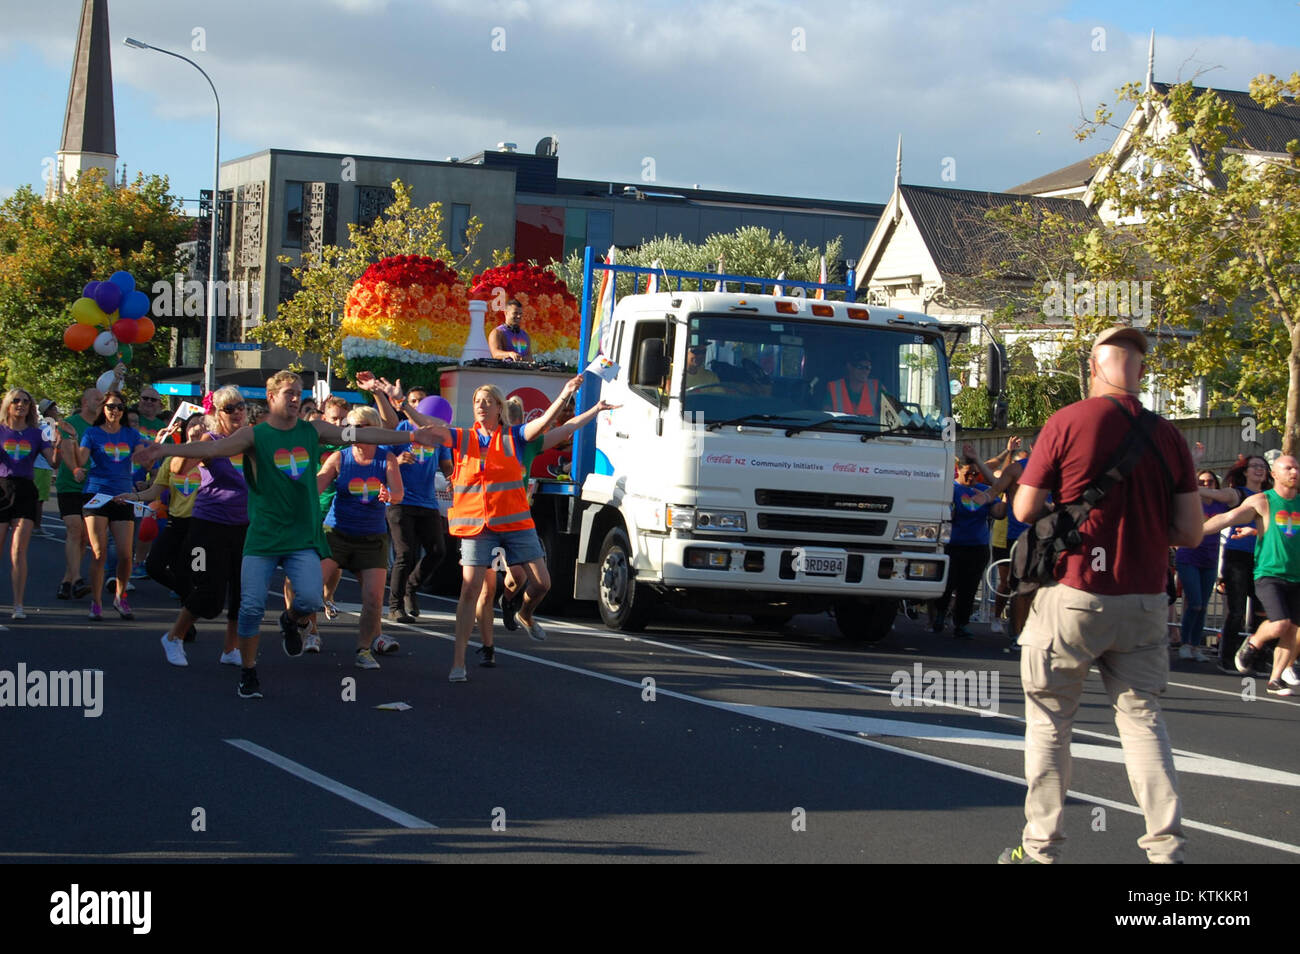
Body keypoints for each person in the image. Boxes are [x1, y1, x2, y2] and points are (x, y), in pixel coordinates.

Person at [997, 326, 1202, 865]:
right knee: (1142, 723)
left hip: (1073, 591)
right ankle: (1167, 851)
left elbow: (1022, 510)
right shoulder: (1170, 437)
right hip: (1144, 599)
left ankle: (1040, 848)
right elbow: (1191, 531)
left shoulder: (1068, 421)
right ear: (1140, 371)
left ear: (1093, 365)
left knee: (1049, 723)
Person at [135, 371, 443, 699]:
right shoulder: (255, 436)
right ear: (271, 398)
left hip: (301, 537)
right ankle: (248, 670)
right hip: (263, 536)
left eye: (299, 392)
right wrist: (163, 452)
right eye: (288, 393)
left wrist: (411, 438)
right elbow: (216, 448)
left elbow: (359, 434)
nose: (295, 398)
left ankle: (289, 619)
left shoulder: (314, 430)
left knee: (310, 599)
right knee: (250, 607)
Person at [423, 378, 582, 682]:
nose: (481, 406)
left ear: (499, 409)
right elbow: (430, 427)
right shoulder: (464, 437)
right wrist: (403, 405)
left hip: (514, 523)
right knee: (478, 588)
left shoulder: (520, 439)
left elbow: (558, 425)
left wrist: (570, 395)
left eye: (487, 401)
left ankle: (520, 611)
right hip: (477, 524)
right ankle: (469, 655)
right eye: (477, 402)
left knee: (536, 582)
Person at [152, 386, 250, 668]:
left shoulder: (249, 441)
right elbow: (178, 469)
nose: (237, 412)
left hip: (244, 526)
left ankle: (231, 649)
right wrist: (185, 442)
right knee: (210, 594)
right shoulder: (211, 440)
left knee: (243, 593)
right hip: (209, 526)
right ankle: (174, 636)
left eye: (241, 406)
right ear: (216, 414)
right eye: (229, 408)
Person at [1204, 455, 1300, 695]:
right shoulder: (1263, 501)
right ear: (1274, 475)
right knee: (1280, 624)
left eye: (1297, 467)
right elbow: (1227, 518)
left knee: (1295, 631)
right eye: (1288, 468)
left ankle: (1275, 679)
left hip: (1297, 576)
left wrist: (1253, 530)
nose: (1294, 472)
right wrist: (1190, 534)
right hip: (1270, 573)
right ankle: (1254, 642)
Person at [317, 406, 404, 667]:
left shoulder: (386, 459)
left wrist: (390, 496)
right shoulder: (339, 459)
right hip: (337, 533)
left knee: (374, 598)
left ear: (373, 429)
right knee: (310, 590)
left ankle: (363, 650)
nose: (354, 433)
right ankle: (302, 627)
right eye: (350, 427)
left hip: (371, 538)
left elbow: (398, 492)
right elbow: (315, 487)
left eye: (360, 427)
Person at [119, 413, 205, 665]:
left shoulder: (212, 461)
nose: (195, 429)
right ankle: (191, 602)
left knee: (193, 574)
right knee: (155, 566)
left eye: (201, 426)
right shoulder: (173, 460)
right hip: (176, 523)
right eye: (191, 426)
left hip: (200, 526)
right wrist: (131, 497)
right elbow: (156, 490)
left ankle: (185, 624)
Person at [71, 389, 149, 621]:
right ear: (102, 409)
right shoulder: (93, 433)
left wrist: (152, 448)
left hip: (123, 495)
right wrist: (73, 440)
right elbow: (82, 459)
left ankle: (120, 597)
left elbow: (141, 457)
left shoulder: (131, 434)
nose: (115, 411)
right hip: (97, 494)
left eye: (119, 407)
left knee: (126, 554)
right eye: (110, 406)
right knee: (99, 552)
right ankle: (95, 602)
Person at [1199, 453, 1270, 672]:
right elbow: (1213, 493)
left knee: (1262, 611)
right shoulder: (1237, 494)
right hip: (1237, 557)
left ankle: (1256, 657)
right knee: (1237, 610)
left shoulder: (1270, 497)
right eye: (1254, 466)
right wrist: (1189, 484)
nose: (1259, 469)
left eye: (1262, 466)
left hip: (1262, 558)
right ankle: (1227, 657)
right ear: (1245, 472)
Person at [931, 450, 1005, 639]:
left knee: (969, 587)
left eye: (975, 473)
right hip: (953, 546)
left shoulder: (984, 491)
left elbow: (999, 512)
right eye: (968, 473)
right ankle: (939, 616)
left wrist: (1002, 497)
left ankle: (961, 624)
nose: (972, 477)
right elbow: (944, 516)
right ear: (958, 470)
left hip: (977, 547)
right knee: (947, 584)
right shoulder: (951, 490)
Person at [0, 389, 57, 618]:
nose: (21, 404)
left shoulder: (36, 434)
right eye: (16, 400)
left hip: (25, 489)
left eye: (25, 401)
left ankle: (18, 605)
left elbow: (53, 462)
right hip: (2, 488)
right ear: (8, 404)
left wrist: (59, 444)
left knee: (18, 550)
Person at [1172, 467, 1227, 663]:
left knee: (1203, 605)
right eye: (1201, 482)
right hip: (1189, 557)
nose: (1206, 485)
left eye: (1210, 482)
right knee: (1194, 603)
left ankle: (1195, 646)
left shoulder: (1221, 506)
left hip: (1210, 560)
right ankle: (1185, 644)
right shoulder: (1191, 503)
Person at [53, 387, 103, 600]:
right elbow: (66, 450)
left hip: (93, 486)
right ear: (85, 402)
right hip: (70, 485)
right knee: (74, 529)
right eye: (96, 399)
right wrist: (74, 469)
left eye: (103, 399)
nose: (101, 402)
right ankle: (77, 580)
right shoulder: (70, 423)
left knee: (83, 536)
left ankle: (67, 580)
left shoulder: (104, 426)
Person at [822, 349, 880, 417]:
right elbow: (826, 417)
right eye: (860, 367)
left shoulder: (877, 387)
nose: (864, 371)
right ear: (849, 366)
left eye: (867, 368)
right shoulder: (834, 388)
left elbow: (890, 413)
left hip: (870, 427)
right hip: (840, 427)